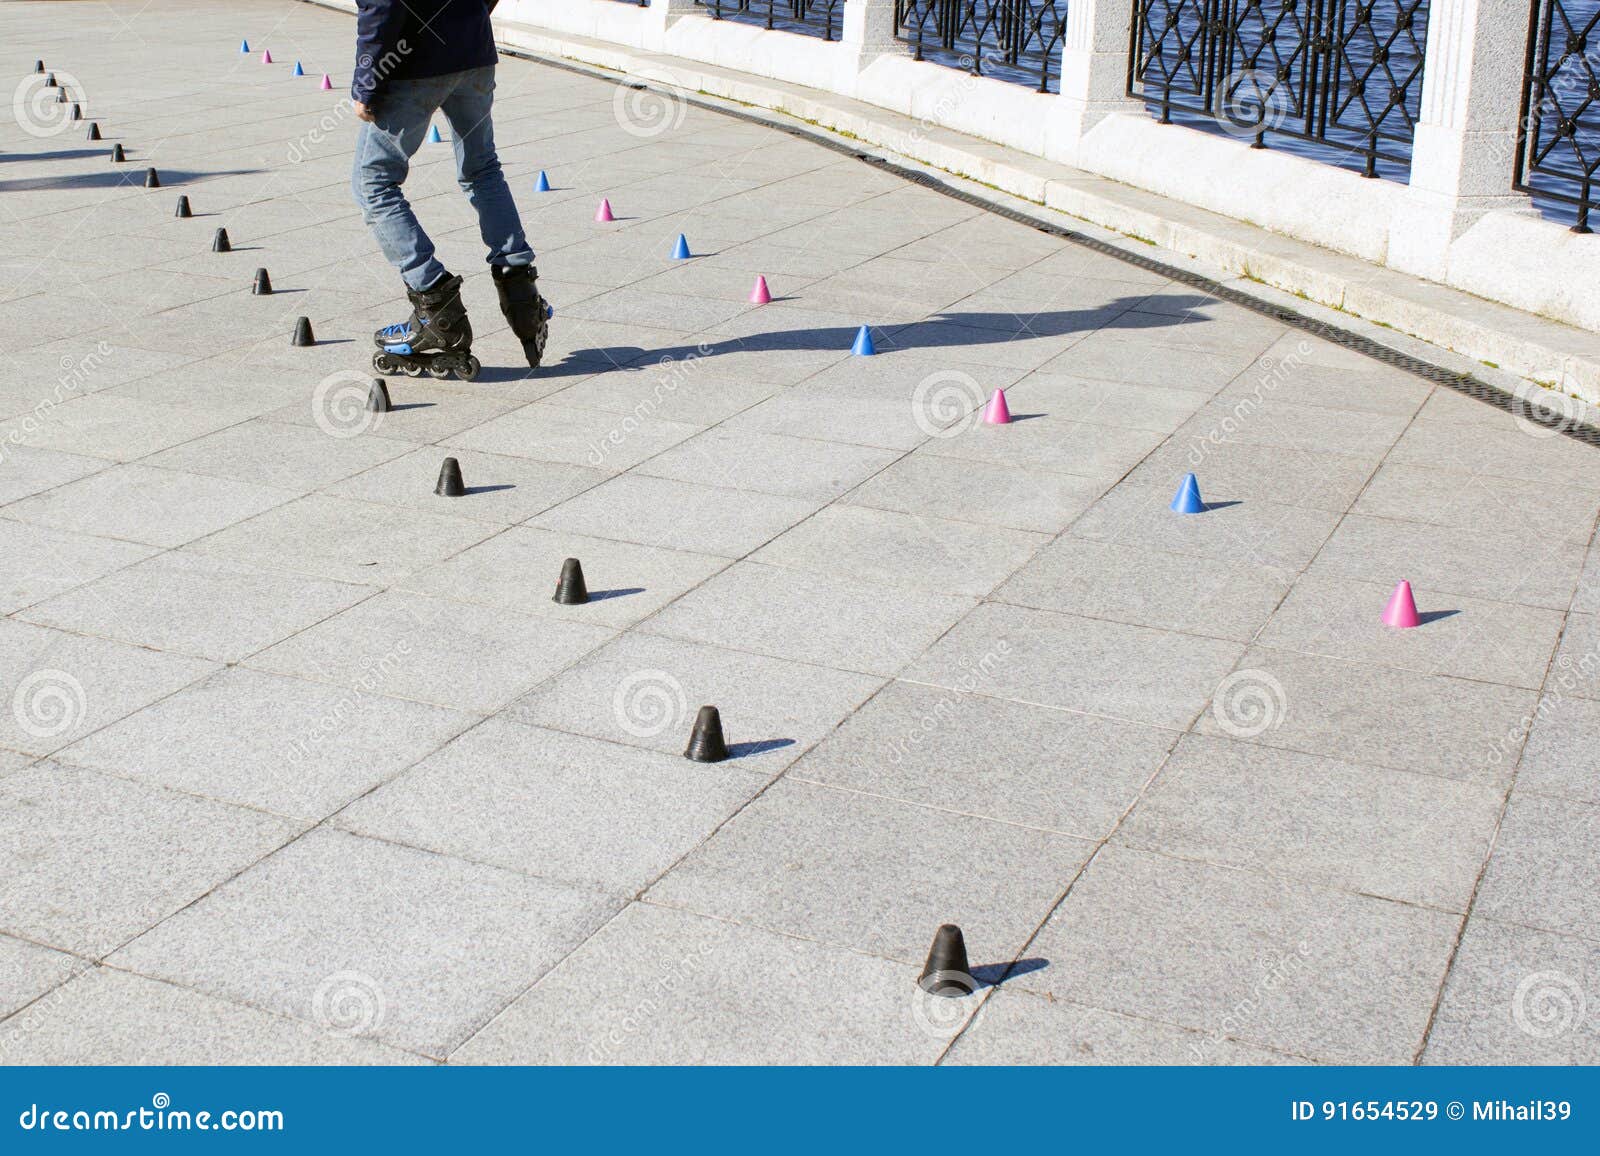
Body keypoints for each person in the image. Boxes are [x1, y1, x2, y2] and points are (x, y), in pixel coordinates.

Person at [351, 0, 548, 379]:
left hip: (415, 63)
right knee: (482, 169)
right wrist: (465, 20)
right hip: (472, 53)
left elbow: (381, 6)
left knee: (373, 182)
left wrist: (366, 83)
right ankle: (520, 288)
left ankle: (435, 304)